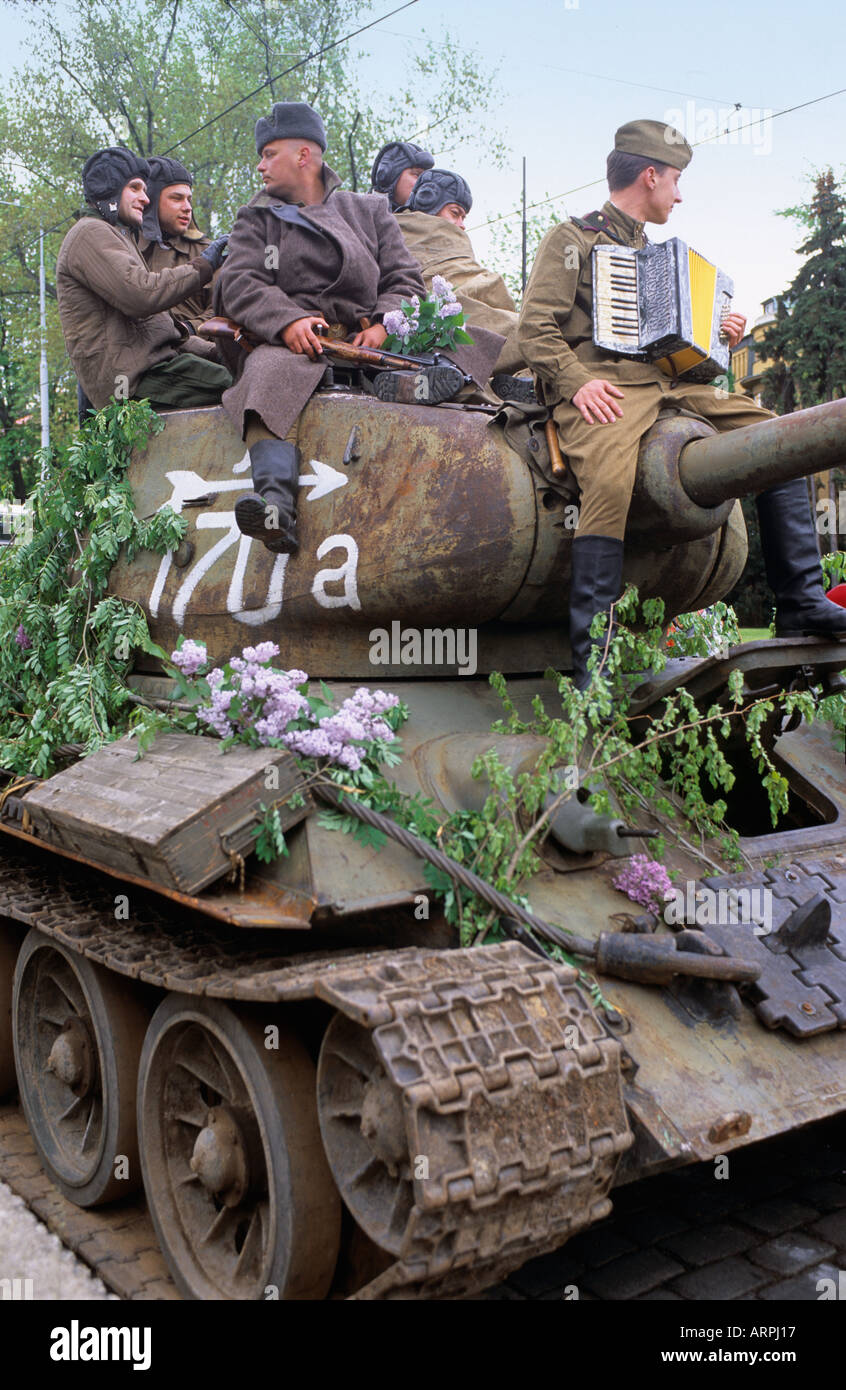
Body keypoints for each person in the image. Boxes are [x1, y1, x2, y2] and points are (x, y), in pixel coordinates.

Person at [518, 118, 846, 687]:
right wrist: (578, 384)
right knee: (611, 484)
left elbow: (677, 353)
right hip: (604, 387)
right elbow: (534, 328)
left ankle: (801, 599)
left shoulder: (658, 255)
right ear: (650, 176)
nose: (680, 193)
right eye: (675, 180)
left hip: (668, 384)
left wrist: (722, 336)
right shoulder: (571, 239)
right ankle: (590, 664)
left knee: (778, 438)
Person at [216, 103, 502, 554]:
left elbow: (404, 279)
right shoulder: (258, 219)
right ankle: (276, 508)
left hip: (373, 340)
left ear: (304, 156)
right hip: (300, 347)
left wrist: (384, 323)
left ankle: (472, 390)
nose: (261, 164)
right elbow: (237, 281)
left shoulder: (368, 211)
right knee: (267, 375)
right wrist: (287, 320)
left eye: (270, 154)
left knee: (474, 340)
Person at [56, 147, 231, 412]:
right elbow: (143, 296)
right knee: (242, 386)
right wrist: (204, 266)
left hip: (154, 368)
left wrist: (215, 353)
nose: (145, 199)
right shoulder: (89, 234)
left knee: (244, 371)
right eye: (135, 188)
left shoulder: (117, 235)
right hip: (133, 381)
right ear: (111, 190)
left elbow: (160, 328)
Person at [399, 167, 531, 399]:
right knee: (532, 333)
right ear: (428, 200)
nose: (461, 224)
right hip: (442, 308)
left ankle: (507, 382)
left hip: (469, 304)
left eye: (464, 217)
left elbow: (469, 276)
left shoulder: (452, 242)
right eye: (455, 213)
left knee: (525, 334)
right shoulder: (395, 229)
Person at [137, 155, 217, 334]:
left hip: (198, 351)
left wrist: (187, 329)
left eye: (189, 199)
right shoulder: (126, 248)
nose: (187, 207)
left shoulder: (207, 252)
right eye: (177, 198)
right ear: (152, 200)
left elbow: (223, 310)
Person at [370, 140, 434, 211]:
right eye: (417, 175)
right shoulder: (359, 213)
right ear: (388, 176)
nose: (424, 184)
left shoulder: (429, 220)